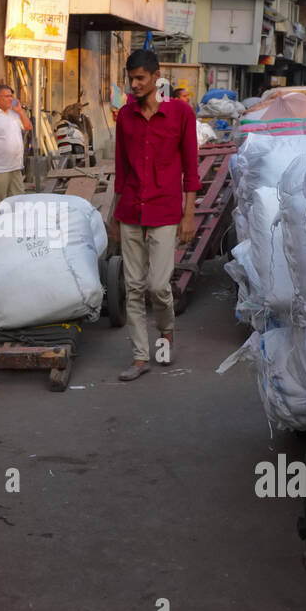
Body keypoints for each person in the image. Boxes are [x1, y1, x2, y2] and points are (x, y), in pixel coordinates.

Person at [113, 49, 199, 381]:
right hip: (130, 210)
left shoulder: (181, 113)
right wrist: (113, 218)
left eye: (140, 78)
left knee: (158, 286)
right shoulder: (125, 116)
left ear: (155, 76)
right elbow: (120, 171)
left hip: (165, 211)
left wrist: (188, 214)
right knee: (133, 287)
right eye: (130, 78)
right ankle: (139, 357)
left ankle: (166, 333)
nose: (134, 84)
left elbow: (191, 171)